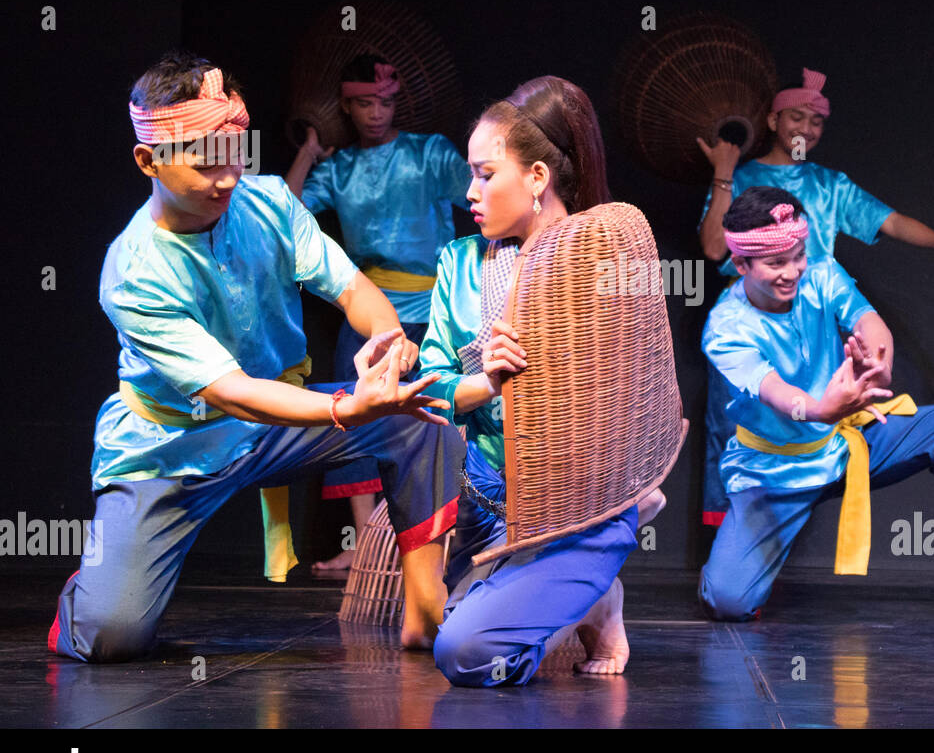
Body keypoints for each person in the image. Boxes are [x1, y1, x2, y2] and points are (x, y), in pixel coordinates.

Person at [48, 51, 459, 663]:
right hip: (172, 447)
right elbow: (232, 391)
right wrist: (352, 405)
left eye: (234, 154)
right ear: (148, 160)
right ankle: (87, 600)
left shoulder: (267, 202)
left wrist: (388, 337)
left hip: (272, 427)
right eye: (203, 162)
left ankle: (425, 613)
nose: (226, 177)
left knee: (417, 415)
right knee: (111, 636)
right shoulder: (134, 272)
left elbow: (350, 289)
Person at [416, 76, 664, 685]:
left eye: (485, 173)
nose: (471, 191)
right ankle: (589, 599)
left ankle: (599, 584)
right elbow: (431, 381)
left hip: (580, 503)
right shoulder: (463, 262)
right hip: (491, 498)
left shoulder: (604, 259)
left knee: (467, 655)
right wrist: (485, 382)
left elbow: (640, 390)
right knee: (440, 632)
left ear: (535, 179)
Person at [695, 67, 934, 526]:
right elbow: (714, 248)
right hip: (753, 332)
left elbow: (888, 221)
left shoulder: (830, 185)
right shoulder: (744, 178)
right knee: (732, 434)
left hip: (810, 337)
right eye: (796, 118)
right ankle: (730, 559)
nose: (807, 131)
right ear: (772, 122)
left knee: (808, 432)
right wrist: (724, 174)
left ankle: (760, 556)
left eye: (816, 123)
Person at [699, 186, 934, 622]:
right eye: (776, 262)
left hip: (848, 439)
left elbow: (870, 324)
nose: (792, 271)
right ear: (741, 264)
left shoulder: (820, 272)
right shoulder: (726, 329)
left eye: (797, 256)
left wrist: (877, 367)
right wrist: (822, 409)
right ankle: (726, 565)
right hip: (775, 471)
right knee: (728, 601)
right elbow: (779, 394)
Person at [284, 54, 471, 571]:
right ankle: (365, 545)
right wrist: (308, 153)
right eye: (365, 103)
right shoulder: (338, 169)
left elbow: (479, 196)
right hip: (370, 310)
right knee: (356, 410)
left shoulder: (428, 154)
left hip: (435, 307)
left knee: (436, 413)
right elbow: (285, 216)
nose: (376, 113)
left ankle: (438, 541)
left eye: (385, 102)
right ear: (347, 105)